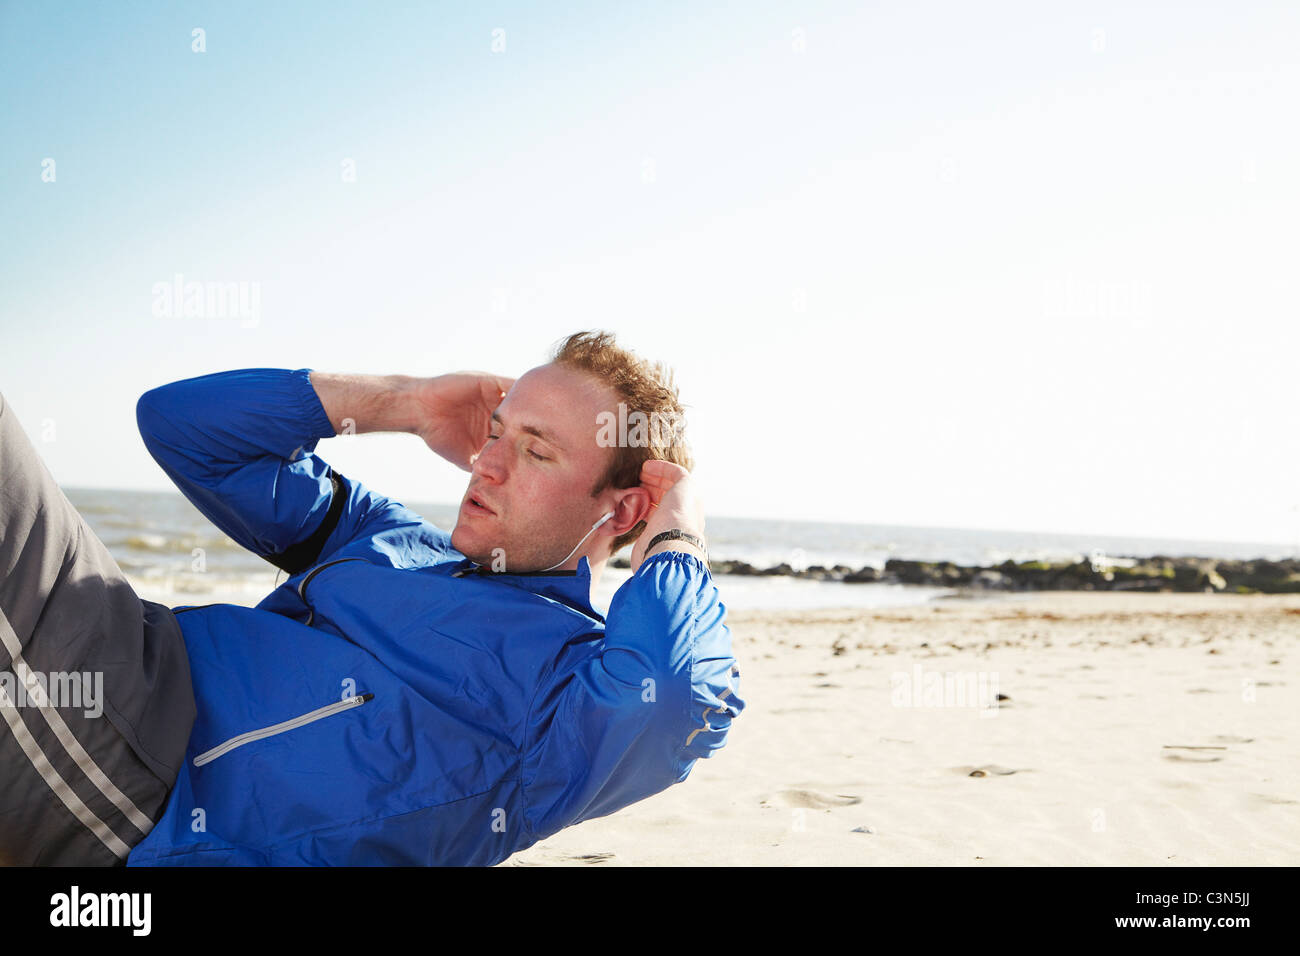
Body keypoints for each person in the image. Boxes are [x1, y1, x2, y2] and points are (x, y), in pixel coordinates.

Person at [0, 330, 743, 866]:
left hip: (140, 781)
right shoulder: (387, 536)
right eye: (495, 433)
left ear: (618, 511)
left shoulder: (565, 689)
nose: (485, 464)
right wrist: (406, 404)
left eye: (535, 450)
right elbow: (182, 430)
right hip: (127, 650)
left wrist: (676, 539)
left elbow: (677, 697)